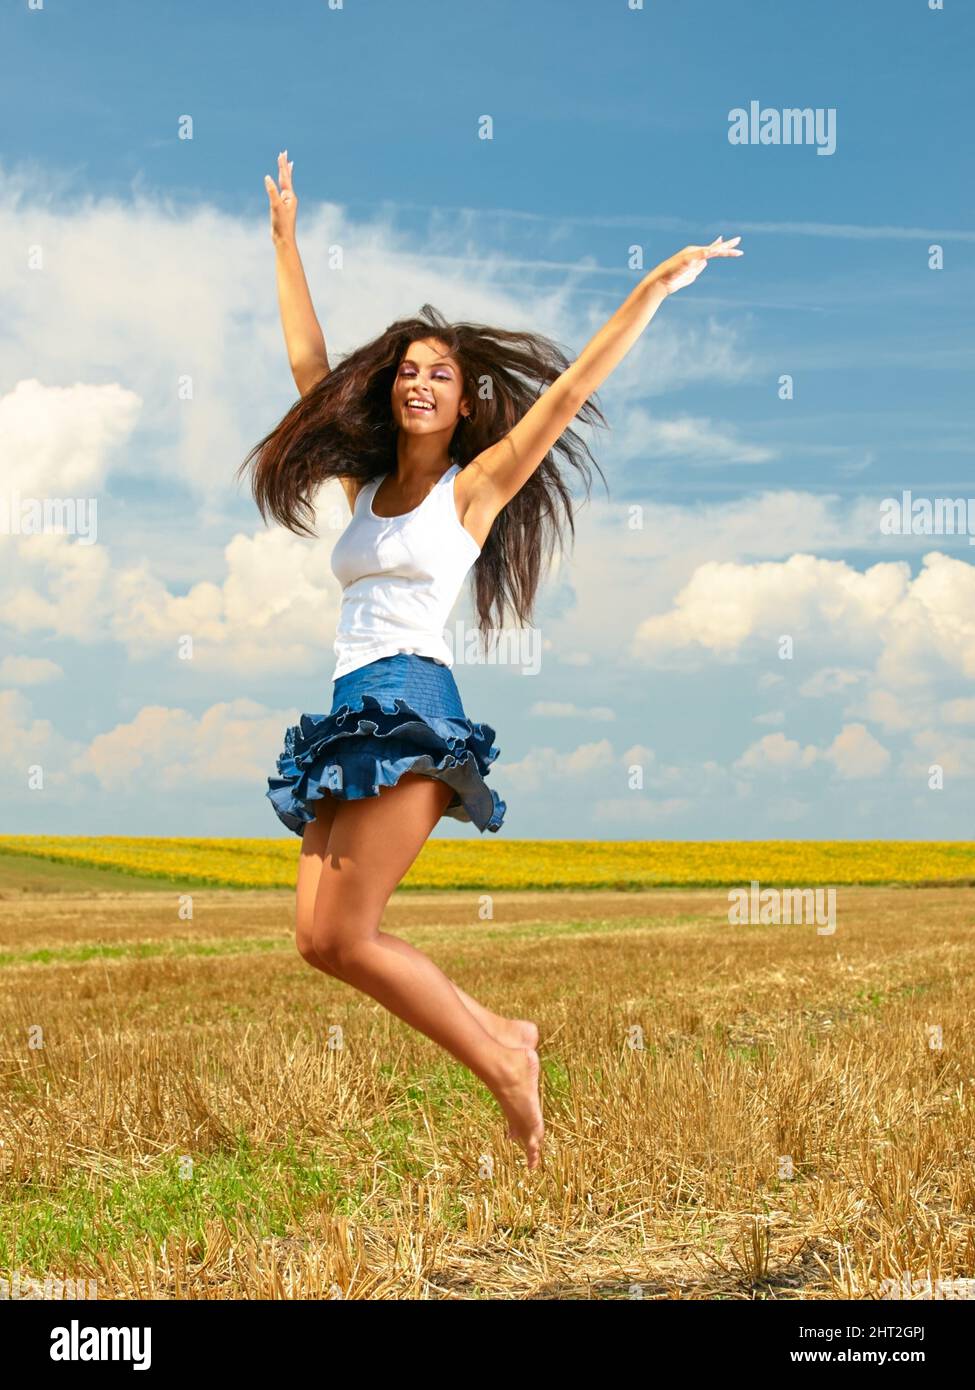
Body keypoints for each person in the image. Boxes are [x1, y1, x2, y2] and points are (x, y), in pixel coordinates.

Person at [239, 150, 743, 1169]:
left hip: (411, 707)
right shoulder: (365, 489)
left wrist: (650, 287)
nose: (422, 383)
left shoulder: (471, 491)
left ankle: (510, 1065)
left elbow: (565, 397)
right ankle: (505, 1039)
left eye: (442, 374)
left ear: (465, 402)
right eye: (409, 371)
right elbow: (308, 367)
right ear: (391, 391)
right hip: (347, 708)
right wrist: (287, 242)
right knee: (319, 940)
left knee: (350, 933)